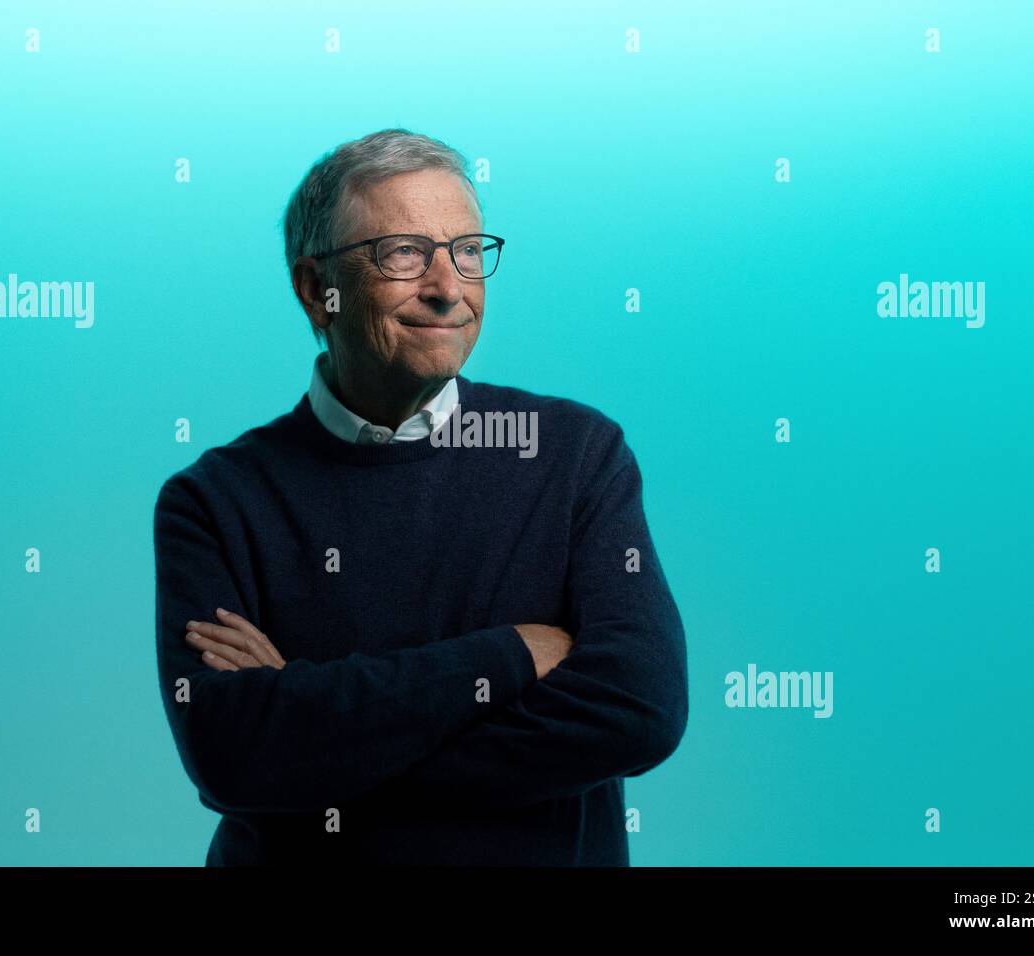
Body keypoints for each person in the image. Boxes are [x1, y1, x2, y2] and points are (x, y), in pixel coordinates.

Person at [153, 128, 688, 865]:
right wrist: (509, 656)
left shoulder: (574, 454)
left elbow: (641, 708)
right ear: (317, 290)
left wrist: (313, 751)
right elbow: (229, 753)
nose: (448, 288)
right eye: (405, 253)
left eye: (467, 251)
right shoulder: (214, 500)